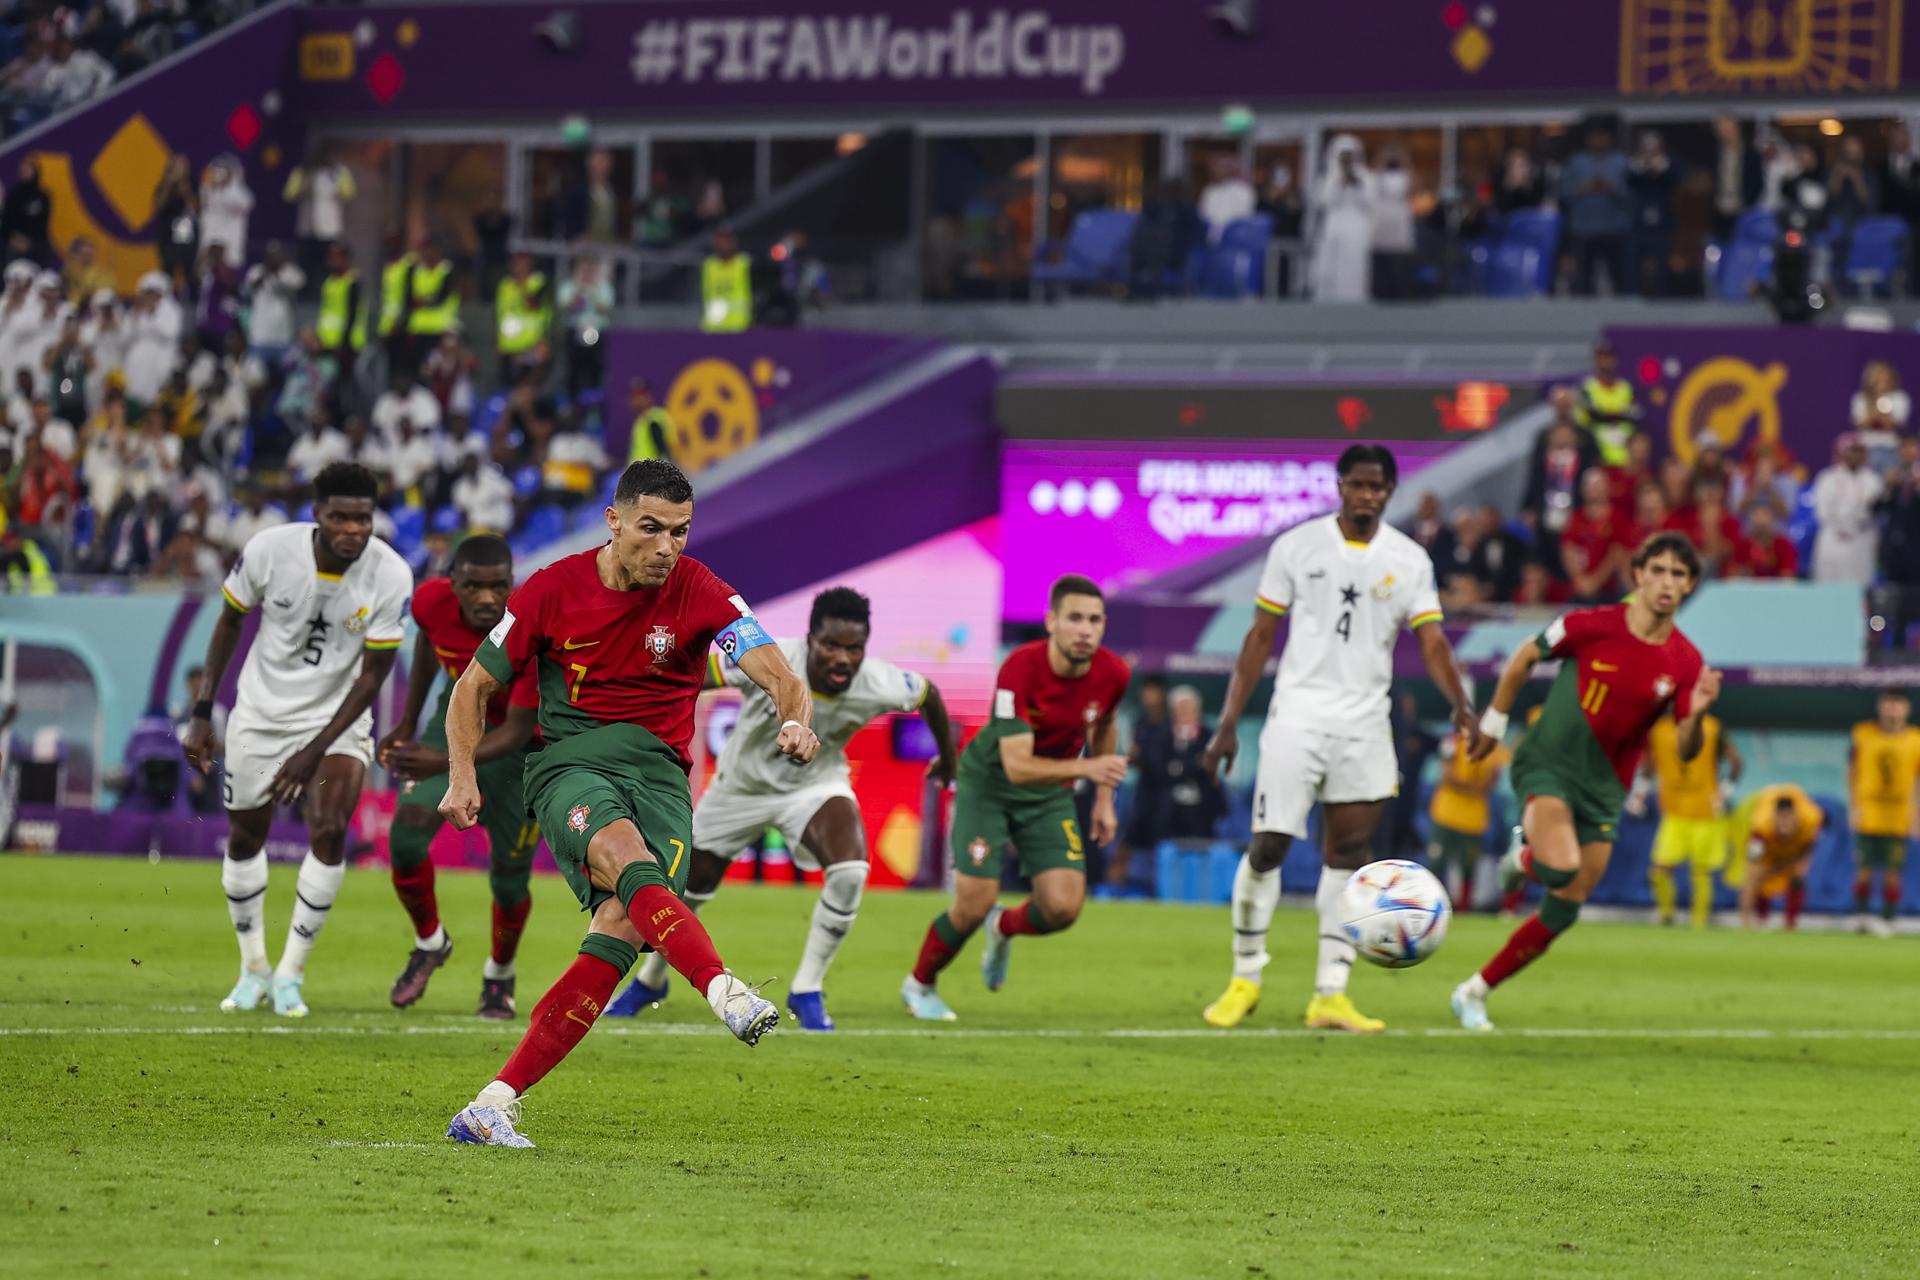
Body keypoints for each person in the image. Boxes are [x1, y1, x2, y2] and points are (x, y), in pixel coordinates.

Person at [440, 458, 820, 1147]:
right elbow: (473, 689)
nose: (666, 547)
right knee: (622, 853)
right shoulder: (552, 590)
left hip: (664, 783)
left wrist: (796, 718)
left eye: (679, 532)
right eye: (651, 528)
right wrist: (461, 773)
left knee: (618, 933)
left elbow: (779, 674)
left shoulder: (702, 590)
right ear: (613, 522)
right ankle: (723, 990)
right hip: (572, 765)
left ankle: (489, 1105)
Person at [1200, 444, 1480, 1033]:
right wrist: (1228, 723)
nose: (1367, 495)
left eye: (1377, 487)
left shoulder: (1408, 560)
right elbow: (1259, 636)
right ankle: (1245, 975)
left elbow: (1431, 640)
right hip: (1297, 715)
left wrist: (1461, 704)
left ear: (1390, 491)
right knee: (1270, 844)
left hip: (1365, 723)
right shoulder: (1297, 547)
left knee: (1349, 857)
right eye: (1357, 484)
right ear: (1340, 485)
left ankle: (1330, 993)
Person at [611, 587, 958, 1030]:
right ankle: (652, 980)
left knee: (851, 869)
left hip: (813, 788)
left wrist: (948, 761)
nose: (843, 659)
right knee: (687, 890)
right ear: (810, 639)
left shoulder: (880, 681)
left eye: (854, 649)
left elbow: (928, 695)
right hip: (739, 789)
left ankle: (807, 989)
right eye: (831, 645)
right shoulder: (770, 659)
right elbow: (699, 675)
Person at [1450, 532, 1717, 1031]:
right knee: (1560, 865)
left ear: (1689, 586)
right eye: (1657, 570)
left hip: (1604, 790)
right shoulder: (1589, 624)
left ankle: (1474, 991)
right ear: (1637, 574)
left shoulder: (1685, 662)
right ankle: (1520, 856)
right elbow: (1525, 657)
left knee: (1566, 906)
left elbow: (1686, 750)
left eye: (1678, 575)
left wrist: (1698, 717)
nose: (1666, 582)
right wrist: (1493, 721)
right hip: (1548, 764)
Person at [181, 462, 412, 1018]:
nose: (353, 529)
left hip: (337, 719)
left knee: (331, 830)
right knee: (245, 837)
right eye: (341, 517)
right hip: (260, 714)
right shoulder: (268, 550)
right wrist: (202, 711)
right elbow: (229, 621)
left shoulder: (391, 574)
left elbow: (372, 677)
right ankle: (253, 966)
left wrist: (314, 751)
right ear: (318, 516)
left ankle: (291, 973)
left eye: (363, 519)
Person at [901, 574, 1129, 1022]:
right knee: (973, 902)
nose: (1086, 630)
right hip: (990, 786)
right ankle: (920, 984)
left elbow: (1104, 725)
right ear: (1052, 622)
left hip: (1049, 795)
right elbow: (1017, 765)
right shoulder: (1020, 669)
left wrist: (1104, 800)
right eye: (1075, 618)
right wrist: (1088, 770)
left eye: (1095, 620)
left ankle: (1003, 927)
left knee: (1063, 908)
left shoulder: (1114, 673)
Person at [375, 536, 540, 1018]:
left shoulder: (531, 622)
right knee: (405, 838)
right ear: (453, 583)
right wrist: (409, 724)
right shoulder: (429, 601)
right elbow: (429, 643)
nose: (487, 598)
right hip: (452, 725)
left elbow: (519, 729)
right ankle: (430, 942)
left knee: (509, 883)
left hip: (521, 754)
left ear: (512, 583)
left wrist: (442, 762)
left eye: (498, 587)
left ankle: (499, 976)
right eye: (473, 586)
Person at [1638, 708, 1742, 928]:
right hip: (1674, 812)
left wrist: (1725, 791)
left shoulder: (1711, 727)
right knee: (1660, 868)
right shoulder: (1659, 730)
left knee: (1700, 871)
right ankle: (1666, 915)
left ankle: (1699, 923)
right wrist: (1641, 790)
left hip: (1705, 814)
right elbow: (1651, 764)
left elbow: (1736, 762)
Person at [1848, 689, 1920, 937]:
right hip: (1868, 814)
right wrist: (1853, 807)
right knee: (1864, 871)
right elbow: (1853, 772)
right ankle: (1861, 917)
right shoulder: (1863, 734)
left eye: (1897, 705)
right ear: (1880, 707)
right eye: (1888, 704)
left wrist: (1916, 816)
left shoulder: (1916, 739)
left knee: (1892, 874)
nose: (1892, 710)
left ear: (1906, 709)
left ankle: (1888, 920)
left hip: (1898, 817)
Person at [1427, 726, 1511, 911]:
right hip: (1446, 815)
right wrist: (1473, 788)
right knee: (1436, 863)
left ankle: (1464, 910)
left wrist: (1465, 786)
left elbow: (1490, 783)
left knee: (1468, 868)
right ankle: (1433, 906)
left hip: (1474, 820)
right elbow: (1447, 776)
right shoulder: (1453, 741)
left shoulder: (1494, 748)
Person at [1107, 674, 1169, 889]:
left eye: (1152, 691)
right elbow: (1136, 758)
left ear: (1161, 694)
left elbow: (1163, 763)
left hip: (1163, 796)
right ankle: (1113, 891)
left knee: (1160, 848)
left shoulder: (1168, 726)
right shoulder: (1141, 723)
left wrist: (1142, 758)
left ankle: (1163, 890)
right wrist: (1132, 758)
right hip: (1143, 794)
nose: (1148, 696)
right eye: (1145, 691)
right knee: (1125, 846)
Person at [1560, 124, 1632, 296]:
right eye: (1595, 136)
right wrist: (1583, 188)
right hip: (1584, 229)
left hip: (1614, 228)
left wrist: (1611, 188)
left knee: (1619, 276)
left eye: (1603, 136)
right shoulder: (1575, 162)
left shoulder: (1621, 161)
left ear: (1610, 139)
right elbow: (1563, 191)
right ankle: (1582, 316)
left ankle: (1620, 313)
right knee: (1583, 278)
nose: (1598, 140)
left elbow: (1631, 193)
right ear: (1588, 139)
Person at [1739, 785, 1824, 930]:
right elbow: (1751, 871)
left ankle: (1790, 925)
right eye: (1782, 819)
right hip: (1770, 852)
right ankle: (1760, 920)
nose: (1786, 823)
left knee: (1799, 876)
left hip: (1794, 852)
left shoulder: (1811, 820)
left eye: (1790, 818)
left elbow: (1807, 853)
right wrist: (1744, 921)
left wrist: (1791, 866)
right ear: (1774, 818)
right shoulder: (1760, 828)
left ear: (1797, 816)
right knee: (1757, 877)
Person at [1812, 434, 1883, 584]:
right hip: (1833, 537)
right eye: (1852, 451)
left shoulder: (1873, 480)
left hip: (1861, 539)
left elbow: (1873, 512)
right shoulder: (1827, 478)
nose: (1855, 455)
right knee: (1829, 584)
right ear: (1842, 453)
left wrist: (1855, 527)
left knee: (1860, 585)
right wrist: (1840, 529)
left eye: (1859, 451)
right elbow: (1822, 511)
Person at [1311, 135, 1373, 302]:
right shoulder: (1329, 178)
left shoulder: (1366, 177)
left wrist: (1355, 182)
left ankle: (1354, 298)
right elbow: (1324, 201)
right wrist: (1340, 182)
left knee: (1354, 267)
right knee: (1329, 267)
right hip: (1333, 226)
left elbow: (1369, 201)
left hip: (1356, 228)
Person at [1560, 468, 1629, 601]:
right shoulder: (1576, 518)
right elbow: (1568, 550)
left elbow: (1617, 554)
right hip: (1579, 588)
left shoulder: (1617, 519)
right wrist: (1580, 580)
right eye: (1589, 485)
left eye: (1598, 485)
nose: (1594, 490)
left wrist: (1594, 582)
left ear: (1607, 488)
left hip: (1608, 591)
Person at [1573, 340, 1639, 466]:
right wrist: (1620, 415)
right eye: (1600, 357)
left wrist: (1604, 414)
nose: (1604, 361)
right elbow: (1592, 417)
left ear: (1615, 360)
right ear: (1594, 360)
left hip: (1625, 458)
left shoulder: (1626, 389)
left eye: (1608, 357)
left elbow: (1635, 416)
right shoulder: (1586, 389)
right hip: (1596, 458)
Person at [242, 242, 304, 368]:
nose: (273, 259)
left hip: (283, 337)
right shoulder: (257, 271)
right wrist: (266, 272)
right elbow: (247, 289)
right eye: (271, 256)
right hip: (260, 337)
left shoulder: (290, 271)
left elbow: (298, 284)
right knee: (257, 379)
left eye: (276, 255)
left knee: (284, 378)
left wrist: (277, 273)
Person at [558, 255, 612, 399]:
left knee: (595, 367)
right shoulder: (569, 286)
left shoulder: (602, 287)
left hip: (596, 332)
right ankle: (572, 401)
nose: (586, 272)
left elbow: (605, 309)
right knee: (574, 367)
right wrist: (579, 291)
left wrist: (592, 292)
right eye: (583, 268)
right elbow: (565, 306)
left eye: (590, 268)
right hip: (575, 331)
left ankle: (594, 401)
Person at [494, 250, 549, 388]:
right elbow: (501, 314)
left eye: (523, 262)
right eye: (516, 263)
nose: (518, 266)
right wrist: (499, 343)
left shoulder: (539, 281)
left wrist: (522, 283)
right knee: (508, 385)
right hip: (509, 345)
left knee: (529, 386)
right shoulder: (505, 285)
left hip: (532, 344)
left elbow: (533, 304)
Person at [1710, 115, 1763, 241]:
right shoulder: (1714, 154)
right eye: (1721, 130)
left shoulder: (1750, 154)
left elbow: (1757, 182)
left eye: (1728, 129)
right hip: (1720, 212)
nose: (1725, 133)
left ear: (1737, 129)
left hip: (1743, 211)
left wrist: (1748, 204)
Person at [198, 157, 254, 269]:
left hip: (230, 243)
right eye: (216, 171)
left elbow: (245, 205)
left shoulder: (240, 192)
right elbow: (199, 204)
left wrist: (226, 187)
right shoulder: (207, 189)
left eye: (222, 172)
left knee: (227, 275)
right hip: (209, 240)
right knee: (205, 273)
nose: (218, 175)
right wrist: (212, 187)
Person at [1729, 502, 1800, 579]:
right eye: (1756, 514)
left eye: (1765, 514)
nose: (1760, 519)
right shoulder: (1742, 544)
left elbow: (1788, 575)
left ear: (1773, 518)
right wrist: (1746, 570)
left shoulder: (1785, 545)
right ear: (1750, 519)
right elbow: (1733, 575)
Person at [700, 227, 752, 333]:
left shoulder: (744, 263)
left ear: (734, 242)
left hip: (739, 327)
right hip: (713, 327)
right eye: (719, 240)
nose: (723, 244)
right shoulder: (709, 265)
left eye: (726, 240)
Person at [1197, 154, 1256, 245]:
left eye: (1221, 168)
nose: (1216, 171)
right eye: (1214, 169)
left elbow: (1243, 216)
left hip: (1235, 239)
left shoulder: (1243, 190)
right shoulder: (1210, 190)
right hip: (1208, 240)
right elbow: (1203, 215)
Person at [626, 377, 675, 465]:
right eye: (634, 396)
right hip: (640, 472)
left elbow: (665, 449)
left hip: (652, 472)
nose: (636, 400)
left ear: (648, 396)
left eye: (640, 395)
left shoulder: (656, 417)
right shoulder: (640, 421)